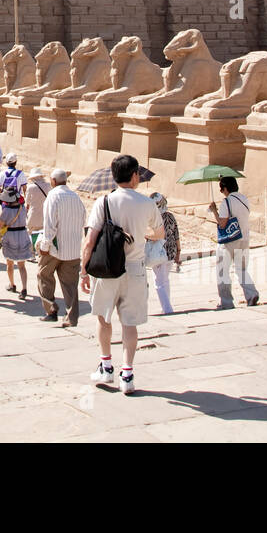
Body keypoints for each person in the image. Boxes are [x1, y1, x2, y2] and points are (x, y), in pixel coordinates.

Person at [81, 154, 163, 395]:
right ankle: (127, 374)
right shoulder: (147, 203)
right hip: (135, 268)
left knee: (103, 319)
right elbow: (159, 233)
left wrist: (84, 270)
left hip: (107, 268)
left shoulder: (103, 202)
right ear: (135, 176)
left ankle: (106, 365)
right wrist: (142, 237)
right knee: (130, 323)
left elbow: (90, 240)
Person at [38, 168, 86, 326]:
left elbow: (50, 224)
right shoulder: (76, 197)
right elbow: (83, 220)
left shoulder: (53, 196)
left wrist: (45, 244)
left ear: (53, 181)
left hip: (54, 247)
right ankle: (71, 318)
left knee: (43, 275)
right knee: (70, 284)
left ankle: (51, 309)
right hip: (73, 248)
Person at [210, 176, 259, 309]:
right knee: (241, 269)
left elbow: (222, 224)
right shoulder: (244, 199)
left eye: (221, 189)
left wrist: (214, 210)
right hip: (244, 238)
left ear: (225, 188)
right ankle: (251, 294)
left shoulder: (226, 202)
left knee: (222, 271)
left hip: (229, 241)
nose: (222, 192)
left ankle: (226, 302)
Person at [0, 154, 31, 298]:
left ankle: (12, 284)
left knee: (9, 263)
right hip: (21, 231)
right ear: (16, 162)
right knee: (22, 265)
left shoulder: (3, 174)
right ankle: (24, 288)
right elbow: (25, 189)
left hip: (9, 228)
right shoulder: (20, 174)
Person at [146, 192, 181, 315]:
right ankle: (166, 306)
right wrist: (178, 251)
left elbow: (156, 236)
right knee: (165, 280)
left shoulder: (154, 219)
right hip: (171, 252)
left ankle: (167, 309)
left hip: (159, 252)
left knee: (159, 283)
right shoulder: (170, 216)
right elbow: (176, 234)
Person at [24, 167, 50, 259]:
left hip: (33, 213)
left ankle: (31, 254)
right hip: (45, 214)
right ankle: (41, 253)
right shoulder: (48, 185)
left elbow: (27, 202)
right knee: (43, 233)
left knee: (30, 232)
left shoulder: (31, 187)